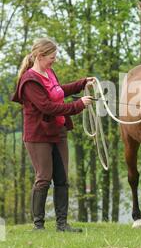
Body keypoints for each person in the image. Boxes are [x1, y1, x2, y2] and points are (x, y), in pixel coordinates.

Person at [11, 37, 95, 232]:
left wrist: (82, 83)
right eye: (52, 57)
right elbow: (47, 107)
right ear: (40, 56)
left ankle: (62, 224)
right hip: (38, 135)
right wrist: (78, 105)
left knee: (62, 177)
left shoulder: (49, 72)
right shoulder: (29, 80)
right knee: (44, 178)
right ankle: (38, 225)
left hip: (58, 132)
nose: (54, 60)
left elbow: (59, 91)